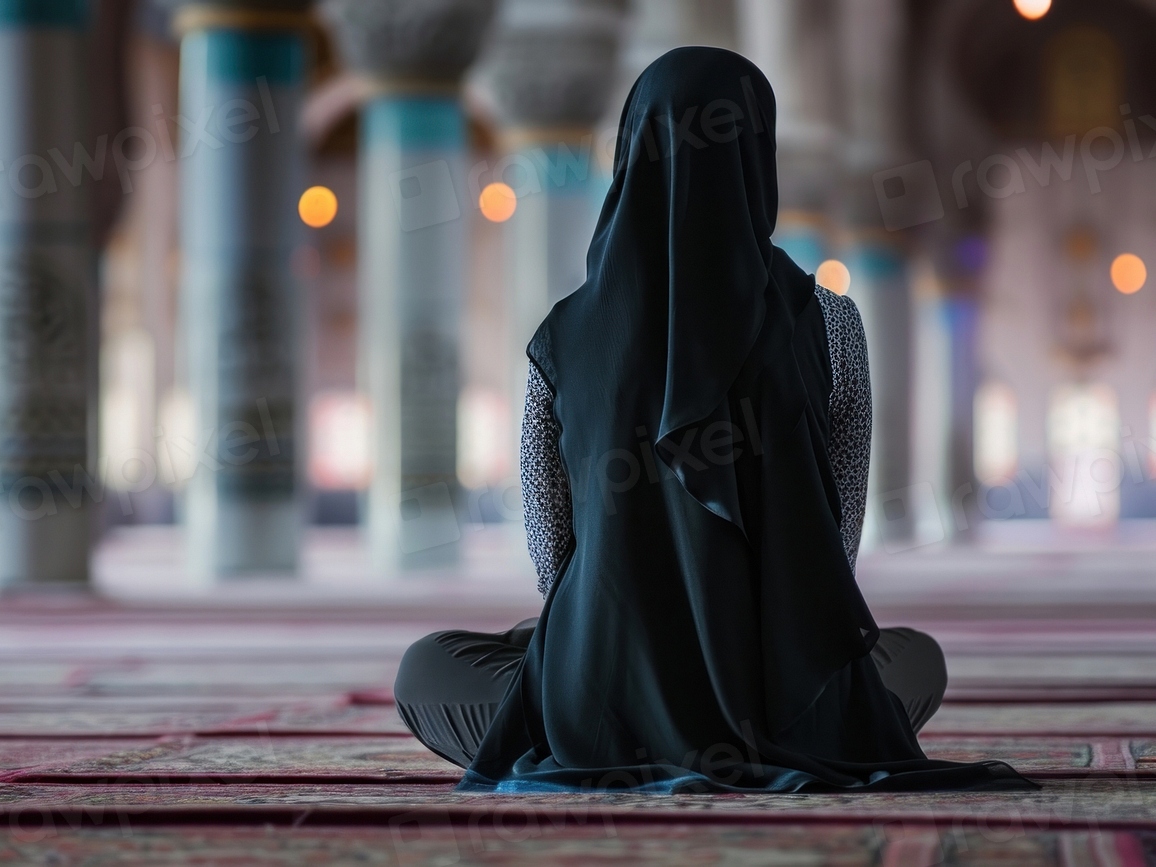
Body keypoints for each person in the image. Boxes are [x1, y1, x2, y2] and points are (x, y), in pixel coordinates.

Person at [393, 47, 1033, 793]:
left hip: (600, 699)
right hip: (779, 695)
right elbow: (837, 542)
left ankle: (626, 722)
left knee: (431, 667)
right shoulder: (830, 324)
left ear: (630, 151)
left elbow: (553, 560)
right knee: (912, 659)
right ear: (757, 154)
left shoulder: (560, 341)